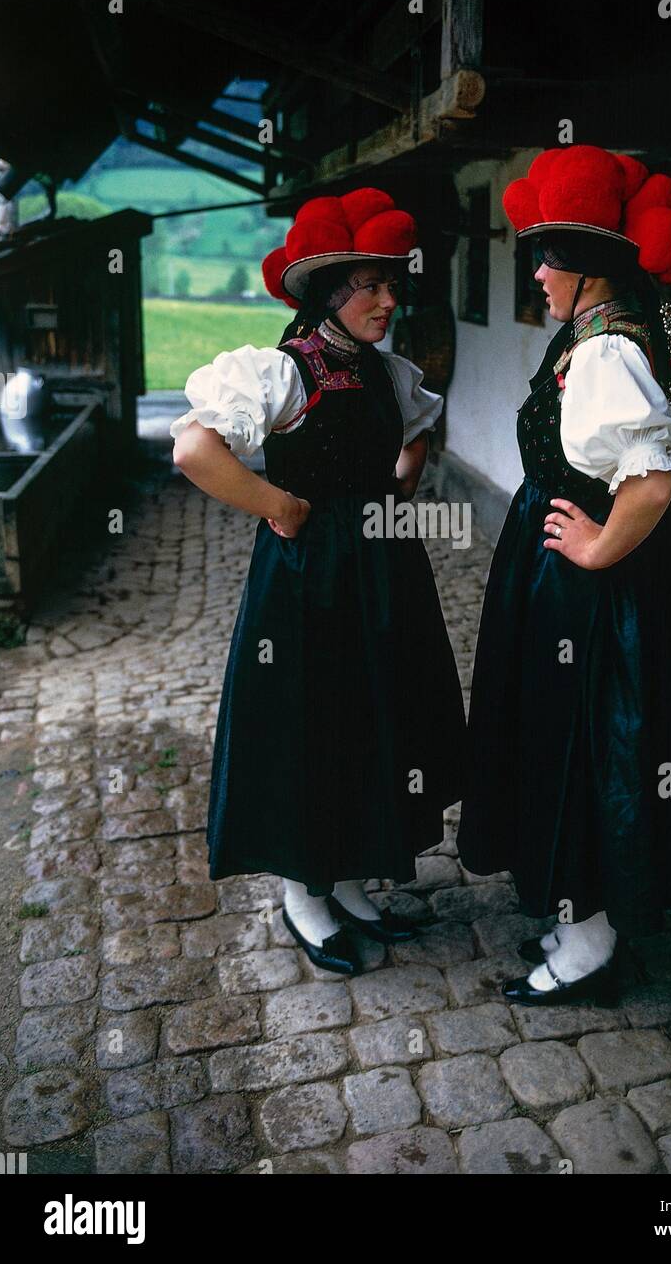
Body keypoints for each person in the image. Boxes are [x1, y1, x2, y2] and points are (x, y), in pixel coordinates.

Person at [170, 187, 466, 976]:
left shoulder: (383, 371)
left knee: (375, 711)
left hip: (382, 567)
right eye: (370, 286)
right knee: (310, 717)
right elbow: (196, 453)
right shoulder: (280, 372)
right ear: (330, 295)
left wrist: (396, 487)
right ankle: (304, 889)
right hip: (306, 579)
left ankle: (347, 877)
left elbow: (413, 439)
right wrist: (280, 506)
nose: (388, 299)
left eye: (391, 284)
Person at [455, 144, 671, 1006]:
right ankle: (586, 921)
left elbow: (650, 478)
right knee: (571, 740)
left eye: (549, 258)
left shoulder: (606, 352)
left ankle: (587, 947)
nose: (535, 272)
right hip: (572, 585)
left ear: (589, 271)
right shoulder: (602, 331)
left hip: (588, 597)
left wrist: (595, 548)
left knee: (575, 745)